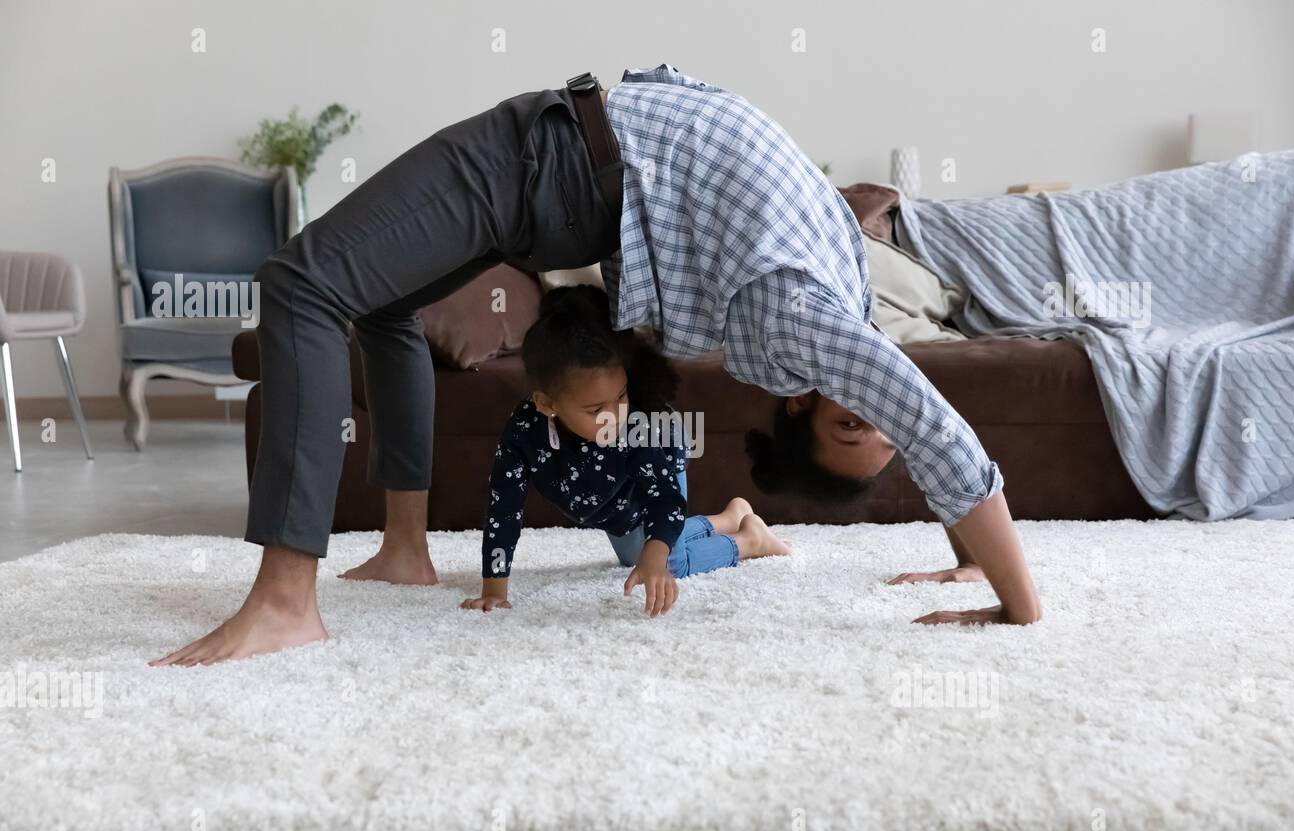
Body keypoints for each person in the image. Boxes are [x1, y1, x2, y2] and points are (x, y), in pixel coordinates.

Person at [152, 64, 1039, 668]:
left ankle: (282, 600)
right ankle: (406, 551)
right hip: (569, 183)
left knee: (302, 284)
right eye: (868, 422)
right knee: (382, 302)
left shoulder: (802, 321)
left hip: (545, 161)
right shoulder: (836, 298)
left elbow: (931, 424)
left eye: (852, 423)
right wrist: (965, 556)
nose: (870, 402)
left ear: (801, 408)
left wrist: (1019, 608)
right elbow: (915, 429)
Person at [460, 285, 791, 618]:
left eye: (621, 396)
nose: (613, 416)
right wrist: (494, 589)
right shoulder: (523, 432)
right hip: (606, 499)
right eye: (595, 409)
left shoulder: (635, 426)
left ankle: (750, 540)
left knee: (666, 559)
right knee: (633, 557)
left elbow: (662, 498)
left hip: (657, 464)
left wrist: (657, 553)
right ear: (547, 404)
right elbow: (504, 507)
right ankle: (729, 518)